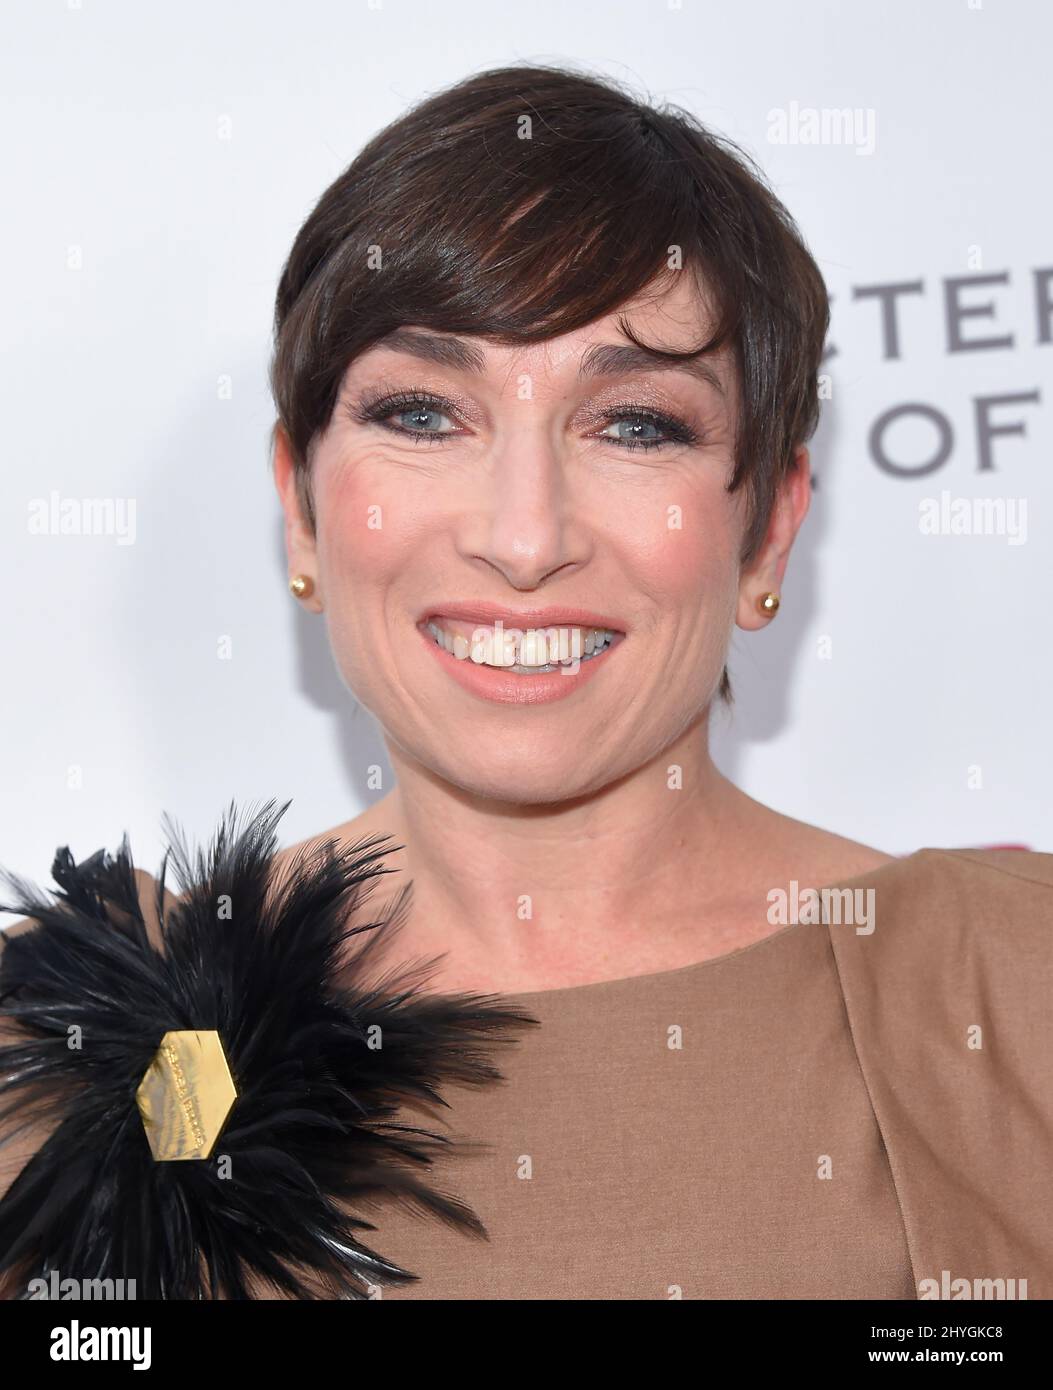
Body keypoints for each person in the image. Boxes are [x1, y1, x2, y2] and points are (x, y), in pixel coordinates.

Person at [2, 63, 1050, 1301]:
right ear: (299, 509)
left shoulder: (1012, 982)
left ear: (769, 525)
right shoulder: (67, 1042)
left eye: (636, 424)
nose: (524, 532)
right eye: (425, 413)